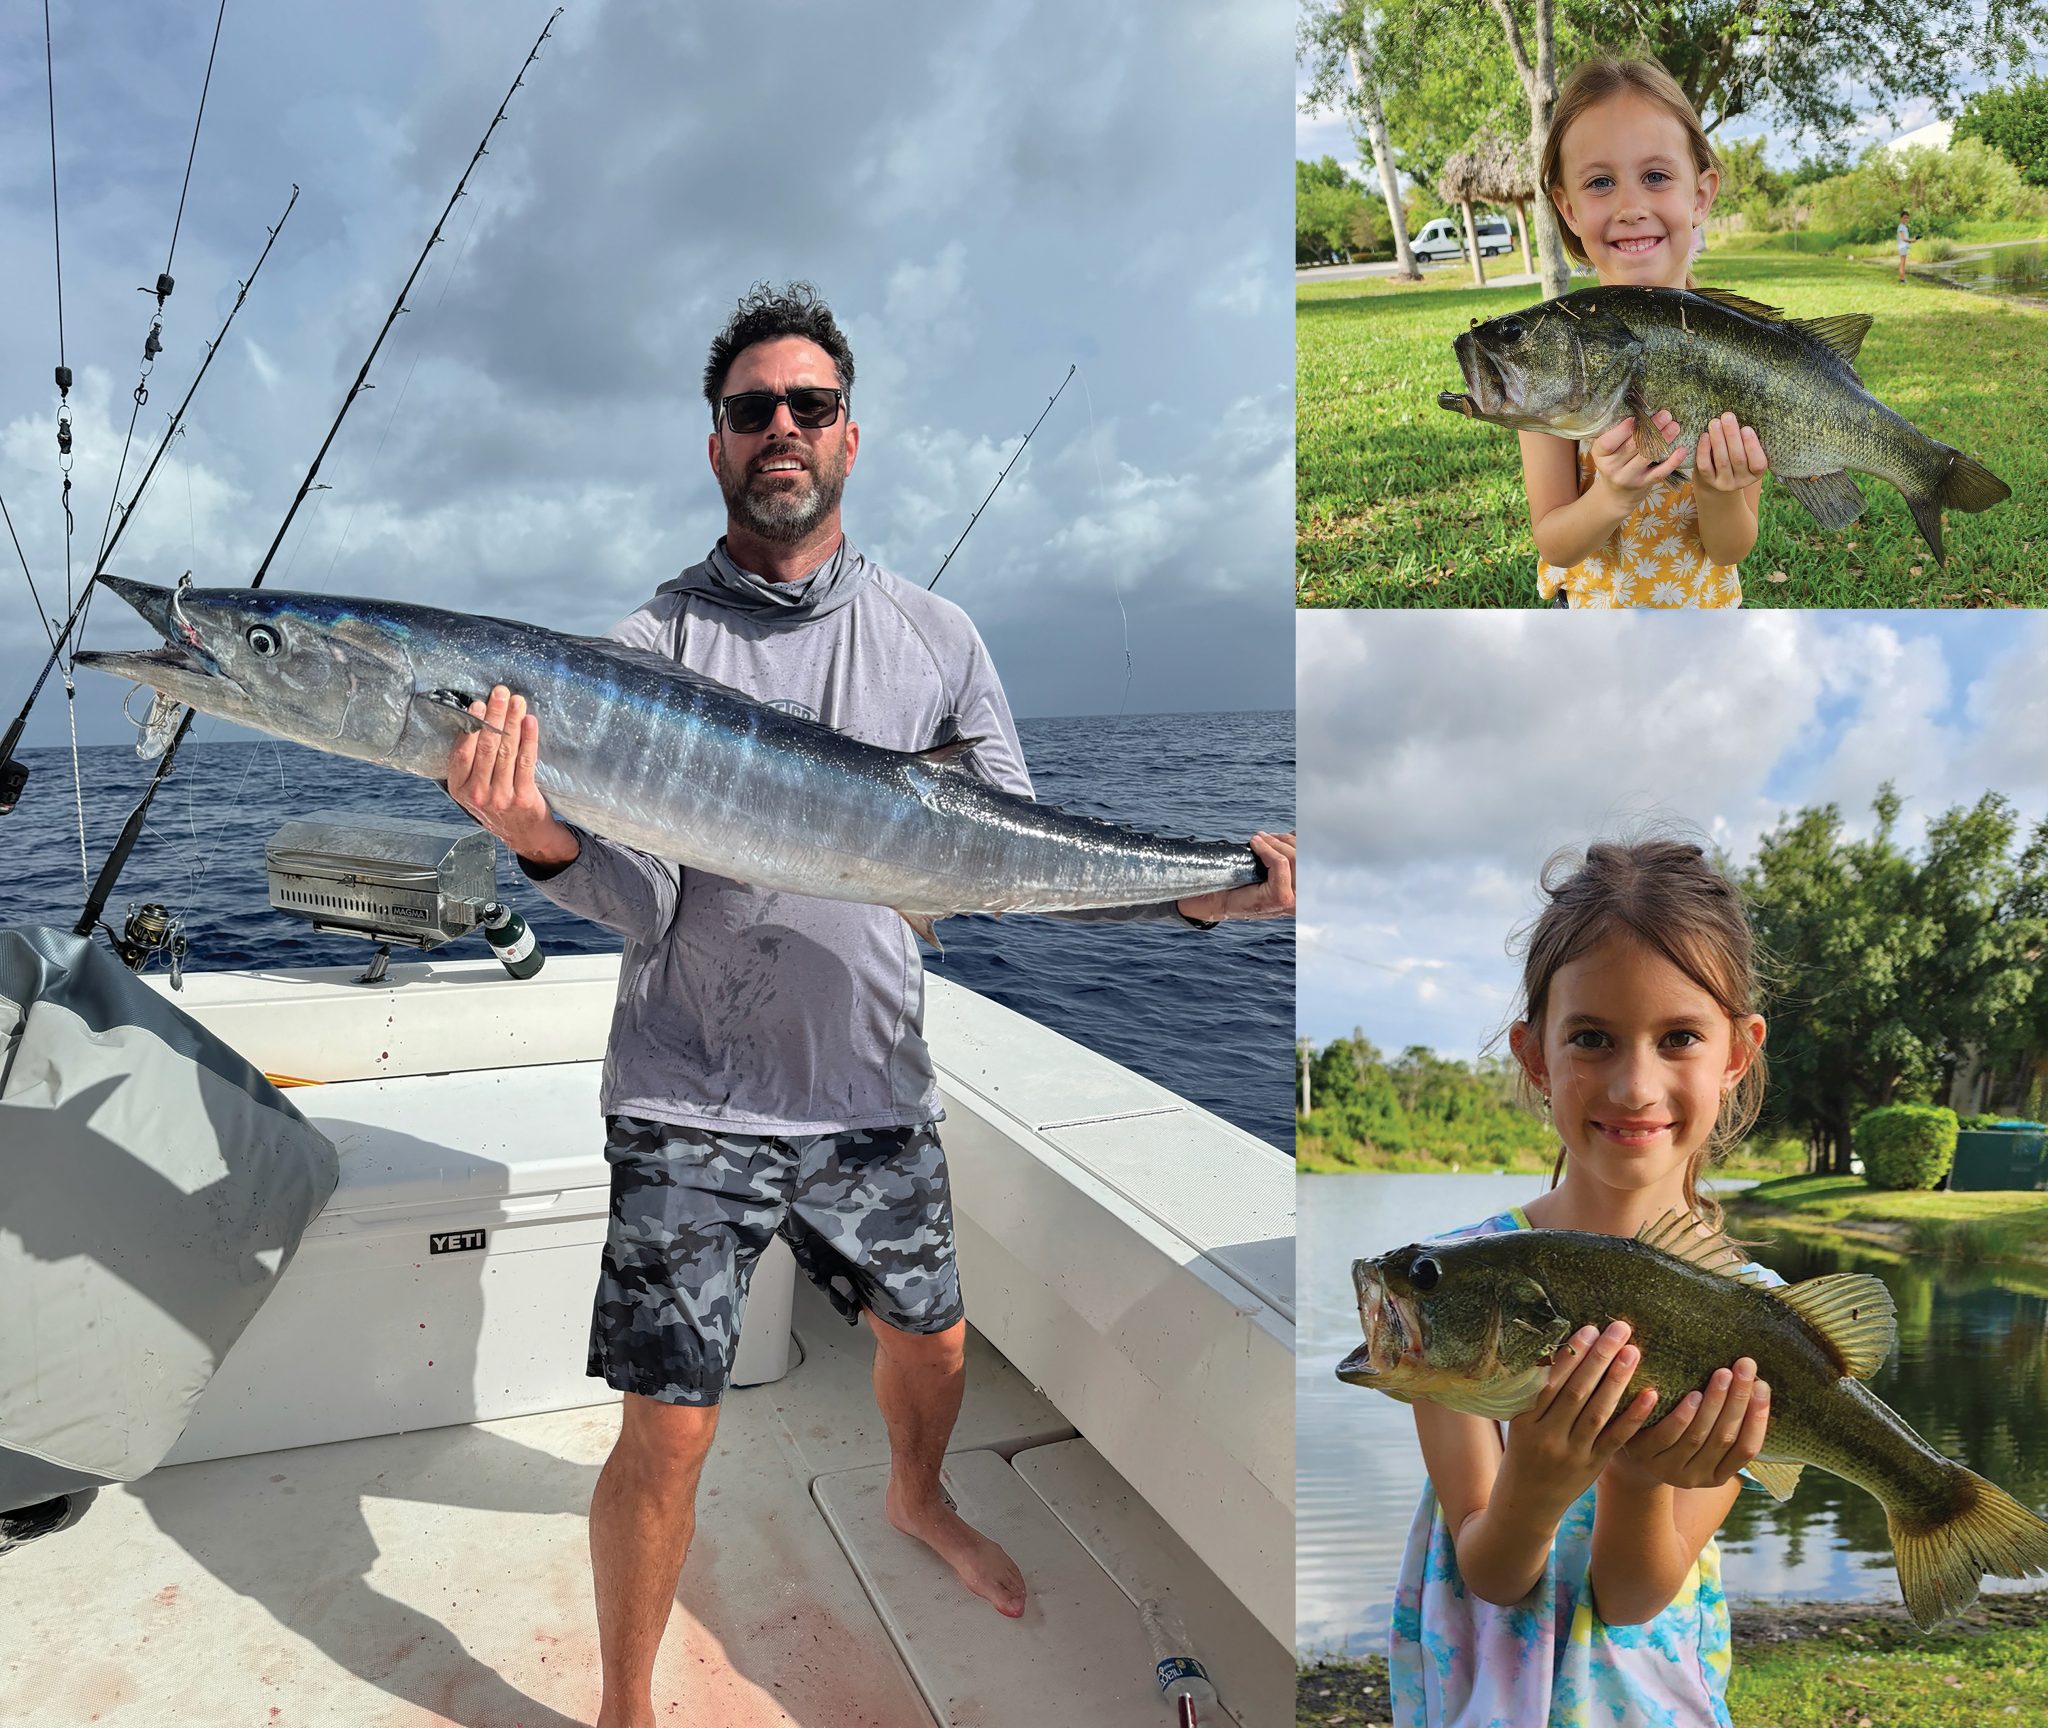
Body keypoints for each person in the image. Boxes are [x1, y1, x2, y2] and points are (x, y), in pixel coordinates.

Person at [444, 281, 1296, 1728]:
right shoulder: (638, 656)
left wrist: (1205, 891)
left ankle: (915, 1499)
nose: (782, 428)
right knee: (671, 1427)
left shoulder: (939, 638)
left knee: (937, 1341)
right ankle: (625, 1707)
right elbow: (647, 905)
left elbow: (1011, 858)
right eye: (750, 409)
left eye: (810, 405)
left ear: (853, 435)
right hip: (688, 1092)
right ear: (713, 443)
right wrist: (538, 837)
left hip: (873, 1092)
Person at [1387, 839, 1778, 1727]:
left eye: (1679, 1037)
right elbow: (1489, 1571)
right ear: (1534, 1054)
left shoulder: (1753, 1315)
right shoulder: (1458, 1283)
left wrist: (1640, 1480)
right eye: (1592, 1039)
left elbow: (1637, 1597)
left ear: (1736, 1054)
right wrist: (1535, 1483)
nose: (1635, 1085)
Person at [1524, 56, 1766, 609]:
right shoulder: (1548, 355)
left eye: (1655, 177)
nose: (1631, 207)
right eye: (1600, 182)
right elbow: (1555, 542)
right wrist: (1610, 494)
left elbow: (1730, 550)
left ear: (1701, 195)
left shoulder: (1737, 354)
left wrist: (1717, 490)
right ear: (1568, 208)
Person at [1898, 207, 1913, 283]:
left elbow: (1905, 239)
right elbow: (1903, 238)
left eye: (1907, 218)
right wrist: (1911, 240)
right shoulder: (1901, 226)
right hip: (1902, 247)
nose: (1906, 219)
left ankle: (1902, 278)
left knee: (1902, 263)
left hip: (1904, 247)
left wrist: (1911, 241)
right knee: (1902, 263)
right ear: (1901, 218)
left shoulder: (1904, 227)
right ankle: (1902, 279)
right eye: (1904, 218)